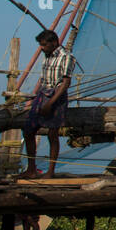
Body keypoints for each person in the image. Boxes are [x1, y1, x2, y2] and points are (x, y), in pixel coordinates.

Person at [20, 29, 75, 181]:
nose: (42, 48)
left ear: (54, 43)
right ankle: (31, 170)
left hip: (56, 97)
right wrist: (38, 100)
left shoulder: (66, 57)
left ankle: (50, 171)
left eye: (44, 45)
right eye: (41, 45)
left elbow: (65, 83)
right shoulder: (47, 56)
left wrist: (50, 103)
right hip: (42, 95)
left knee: (52, 134)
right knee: (29, 130)